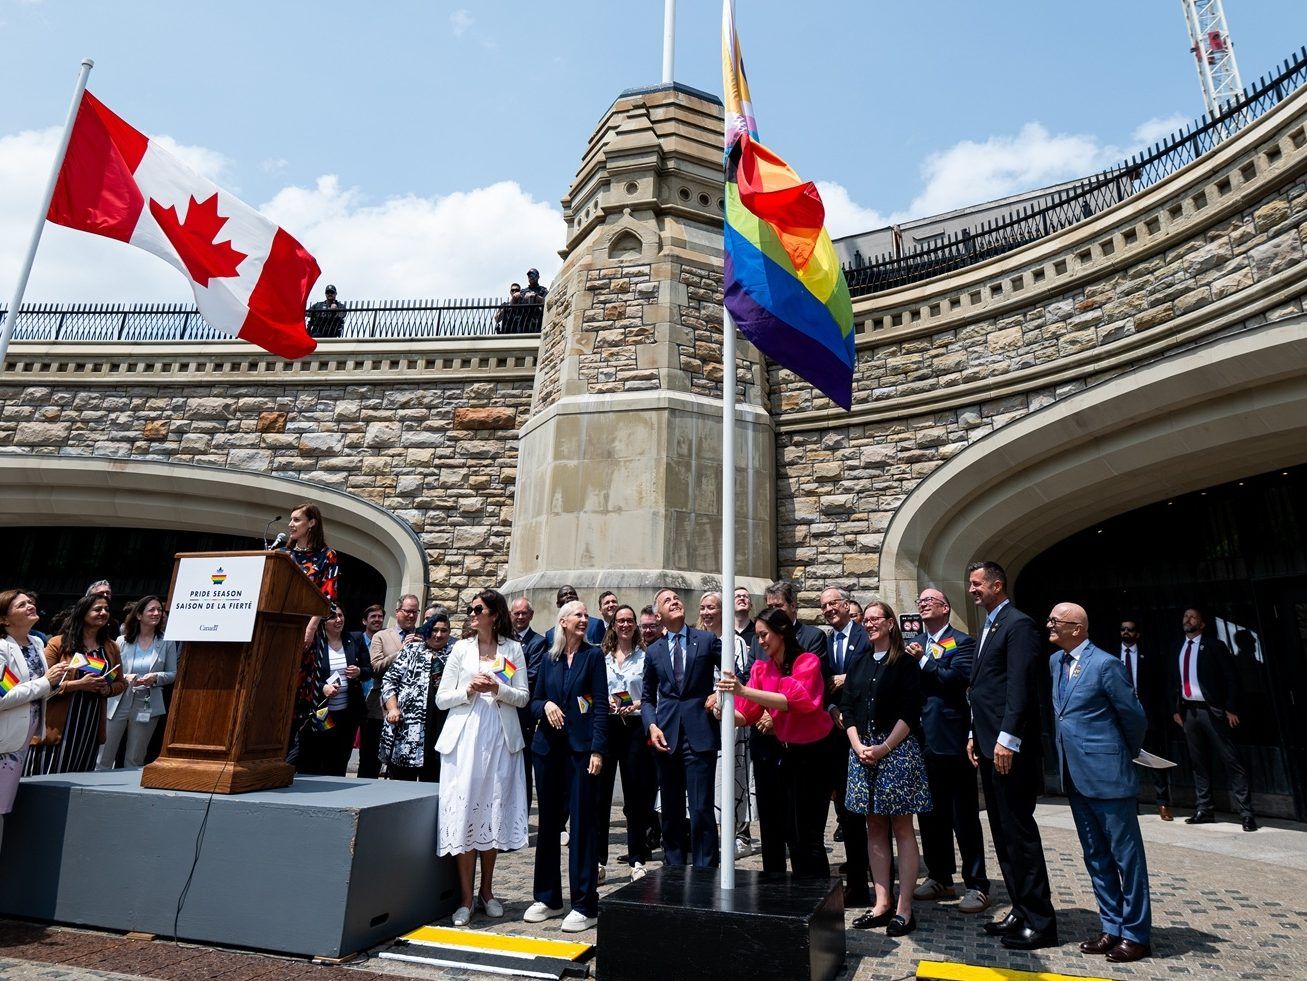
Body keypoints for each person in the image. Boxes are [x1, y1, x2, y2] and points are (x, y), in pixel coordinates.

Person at [1048, 603, 1152, 964]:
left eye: (1054, 621)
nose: (1049, 625)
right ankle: (1112, 926)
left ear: (1076, 628)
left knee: (1127, 859)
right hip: (1075, 777)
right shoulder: (1055, 663)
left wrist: (1121, 754)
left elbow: (1133, 717)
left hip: (1108, 777)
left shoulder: (1106, 664)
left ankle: (1137, 935)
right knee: (1096, 856)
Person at [966, 560, 1058, 950]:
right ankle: (1020, 910)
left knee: (1019, 833)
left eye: (976, 584)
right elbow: (985, 686)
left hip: (1008, 749)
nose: (971, 590)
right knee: (1002, 833)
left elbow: (1019, 687)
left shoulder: (1018, 625)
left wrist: (1007, 739)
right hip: (987, 743)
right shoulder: (990, 624)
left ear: (997, 586)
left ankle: (1040, 920)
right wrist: (975, 733)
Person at [434, 589, 529, 927]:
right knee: (463, 813)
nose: (472, 614)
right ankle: (465, 898)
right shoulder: (460, 649)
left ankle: (488, 891)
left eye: (478, 609)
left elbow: (523, 696)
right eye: (470, 609)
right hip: (465, 739)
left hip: (500, 739)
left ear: (494, 614)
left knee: (491, 810)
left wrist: (498, 689)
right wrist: (470, 689)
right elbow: (442, 699)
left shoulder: (512, 648)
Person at [718, 607, 833, 878]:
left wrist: (744, 690)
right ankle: (785, 893)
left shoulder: (807, 662)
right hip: (786, 754)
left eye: (764, 635)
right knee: (783, 829)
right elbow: (746, 714)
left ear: (782, 633)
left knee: (808, 833)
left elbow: (799, 702)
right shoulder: (762, 669)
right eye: (757, 636)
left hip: (814, 754)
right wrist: (721, 707)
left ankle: (816, 897)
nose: (761, 642)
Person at [841, 600, 931, 938]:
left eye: (876, 618)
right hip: (862, 750)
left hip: (896, 750)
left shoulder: (906, 664)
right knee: (873, 826)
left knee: (902, 827)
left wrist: (883, 748)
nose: (870, 624)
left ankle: (904, 908)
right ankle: (881, 902)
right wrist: (857, 744)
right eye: (865, 619)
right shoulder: (859, 662)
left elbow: (911, 711)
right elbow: (847, 707)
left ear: (891, 623)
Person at [527, 600, 609, 932]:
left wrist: (597, 750)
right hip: (548, 752)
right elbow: (532, 700)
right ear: (562, 621)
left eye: (586, 616)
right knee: (548, 824)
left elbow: (600, 703)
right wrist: (545, 704)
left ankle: (585, 904)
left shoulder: (593, 657)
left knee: (582, 827)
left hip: (580, 753)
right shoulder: (549, 659)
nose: (584, 619)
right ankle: (547, 898)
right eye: (578, 615)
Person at [908, 588, 991, 914]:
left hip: (952, 743)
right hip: (921, 742)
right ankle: (940, 876)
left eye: (930, 600)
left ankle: (977, 884)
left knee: (963, 816)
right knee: (929, 815)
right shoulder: (915, 644)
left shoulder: (962, 642)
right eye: (920, 601)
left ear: (946, 608)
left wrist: (924, 660)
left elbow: (956, 679)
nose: (923, 604)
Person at [642, 588, 721, 868]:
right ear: (659, 615)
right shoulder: (653, 652)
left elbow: (735, 673)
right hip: (666, 738)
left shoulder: (707, 640)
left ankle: (706, 872)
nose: (674, 602)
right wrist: (651, 725)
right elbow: (647, 697)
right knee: (672, 812)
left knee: (700, 810)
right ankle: (673, 870)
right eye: (667, 601)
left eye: (676, 598)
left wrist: (719, 694)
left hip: (700, 736)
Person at [1170, 606, 1256, 831]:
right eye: (1185, 616)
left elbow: (1231, 678)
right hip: (1189, 712)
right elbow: (1174, 681)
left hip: (1213, 711)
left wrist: (1230, 708)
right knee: (1198, 762)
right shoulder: (1178, 647)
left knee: (1231, 760)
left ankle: (1246, 813)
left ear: (1202, 624)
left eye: (1193, 617)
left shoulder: (1215, 647)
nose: (1188, 619)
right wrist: (1176, 709)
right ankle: (1204, 809)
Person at [26, 593, 125, 775]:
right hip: (58, 725)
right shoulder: (58, 644)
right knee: (48, 775)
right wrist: (78, 684)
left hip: (90, 727)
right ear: (82, 613)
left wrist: (107, 688)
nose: (103, 613)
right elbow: (38, 684)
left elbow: (121, 682)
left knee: (80, 776)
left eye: (106, 610)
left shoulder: (111, 647)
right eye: (97, 609)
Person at [1, 590, 69, 846]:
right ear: (5, 620)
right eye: (21, 604)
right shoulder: (2, 649)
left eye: (30, 602)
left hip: (19, 741)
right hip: (4, 744)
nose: (30, 605)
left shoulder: (37, 643)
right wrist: (45, 682)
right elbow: (2, 697)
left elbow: (35, 690)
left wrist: (56, 681)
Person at [819, 586, 872, 907]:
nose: (828, 610)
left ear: (846, 605)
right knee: (845, 810)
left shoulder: (865, 637)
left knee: (868, 811)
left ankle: (868, 877)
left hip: (865, 733)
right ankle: (855, 875)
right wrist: (832, 709)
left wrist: (845, 678)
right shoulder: (824, 642)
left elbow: (871, 675)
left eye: (833, 604)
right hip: (835, 735)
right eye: (823, 606)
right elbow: (821, 683)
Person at [596, 604, 656, 883]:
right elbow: (587, 695)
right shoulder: (602, 657)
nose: (625, 625)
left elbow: (652, 695)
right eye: (620, 620)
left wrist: (635, 704)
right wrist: (601, 702)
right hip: (608, 726)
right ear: (613, 625)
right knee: (601, 795)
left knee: (635, 798)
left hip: (633, 727)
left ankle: (638, 858)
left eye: (630, 621)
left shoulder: (645, 658)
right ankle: (598, 860)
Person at [281, 503, 339, 765]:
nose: (291, 524)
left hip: (307, 633)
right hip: (279, 631)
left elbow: (327, 597)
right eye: (290, 520)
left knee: (302, 697)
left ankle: (292, 760)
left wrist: (311, 627)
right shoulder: (283, 555)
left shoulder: (327, 556)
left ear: (312, 523)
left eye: (297, 520)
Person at [98, 596, 176, 771]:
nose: (157, 613)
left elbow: (173, 674)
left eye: (159, 610)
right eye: (151, 610)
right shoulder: (121, 641)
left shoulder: (167, 641)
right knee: (104, 754)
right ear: (139, 615)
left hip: (147, 701)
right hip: (119, 699)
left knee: (135, 756)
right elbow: (109, 673)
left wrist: (156, 677)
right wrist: (124, 677)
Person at [296, 607, 370, 776]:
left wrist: (359, 671)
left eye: (341, 616)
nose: (338, 620)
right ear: (323, 622)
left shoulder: (354, 640)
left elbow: (368, 670)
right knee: (316, 756)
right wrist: (323, 687)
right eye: (333, 617)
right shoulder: (315, 643)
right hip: (321, 713)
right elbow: (304, 674)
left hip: (347, 714)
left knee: (339, 758)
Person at [381, 612, 453, 782]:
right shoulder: (411, 650)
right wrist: (392, 708)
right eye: (435, 630)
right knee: (402, 782)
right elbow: (389, 680)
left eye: (444, 631)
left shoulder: (454, 654)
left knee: (434, 781)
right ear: (427, 630)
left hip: (441, 727)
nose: (439, 635)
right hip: (408, 730)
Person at [1118, 619, 1172, 821]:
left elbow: (1160, 686)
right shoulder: (1112, 657)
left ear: (1137, 634)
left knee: (1154, 760)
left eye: (1130, 630)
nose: (1126, 633)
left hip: (1147, 715)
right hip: (1122, 717)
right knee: (1127, 762)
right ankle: (1132, 803)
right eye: (1123, 629)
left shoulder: (1149, 656)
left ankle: (1163, 803)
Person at [367, 595, 421, 778]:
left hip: (410, 711)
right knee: (371, 760)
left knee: (401, 763)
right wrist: (401, 652)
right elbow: (375, 668)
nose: (412, 616)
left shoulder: (423, 636)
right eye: (408, 611)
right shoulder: (381, 636)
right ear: (397, 611)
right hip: (380, 708)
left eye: (415, 612)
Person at [511, 597, 548, 806]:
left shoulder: (538, 642)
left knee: (523, 767)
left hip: (523, 714)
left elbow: (531, 675)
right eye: (516, 613)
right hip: (502, 711)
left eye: (524, 613)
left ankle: (521, 818)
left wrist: (504, 683)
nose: (520, 617)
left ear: (531, 615)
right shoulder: (503, 639)